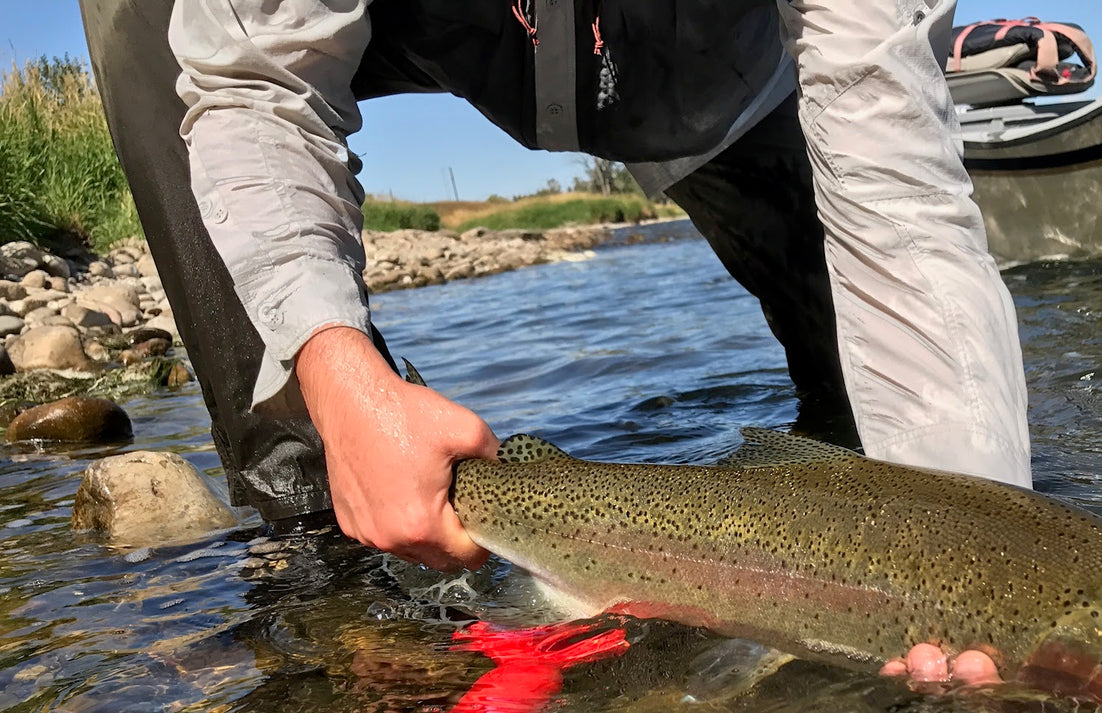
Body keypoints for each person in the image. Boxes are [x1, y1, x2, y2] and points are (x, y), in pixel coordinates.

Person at [79, 0, 1031, 569]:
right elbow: (255, 84)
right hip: (427, 25)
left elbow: (900, 199)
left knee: (887, 422)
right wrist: (334, 369)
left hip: (719, 82)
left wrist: (979, 541)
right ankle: (326, 521)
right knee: (153, 19)